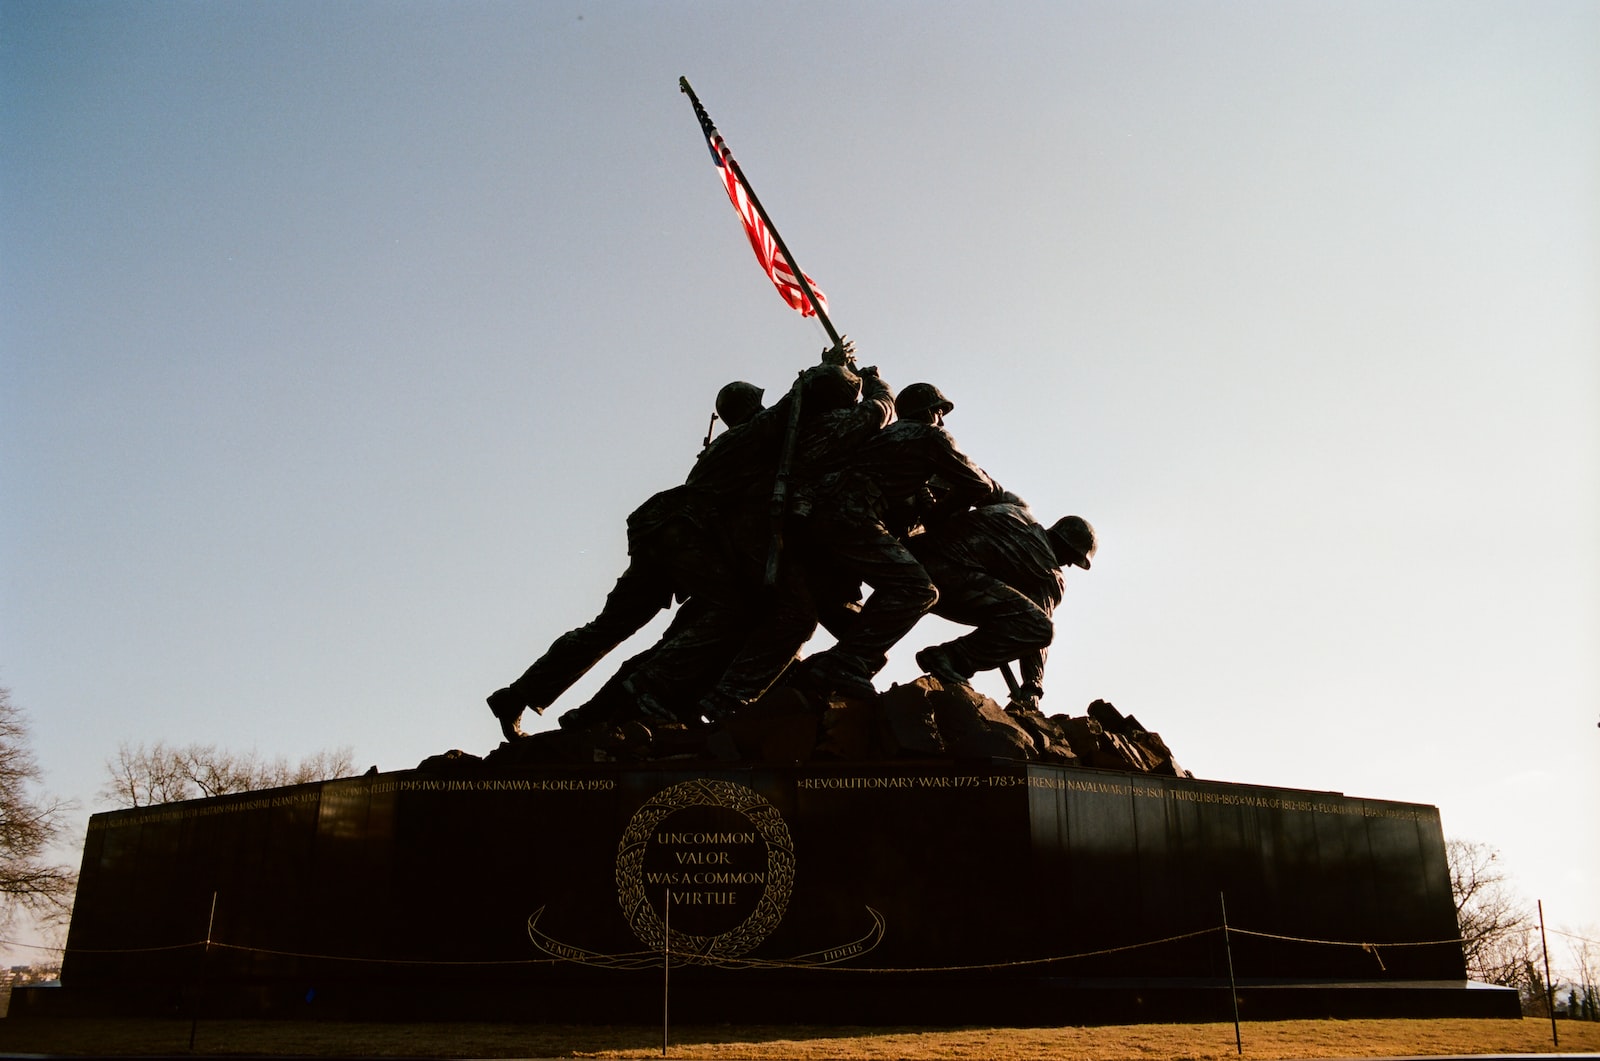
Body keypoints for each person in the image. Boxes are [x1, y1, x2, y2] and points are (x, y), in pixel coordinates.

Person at [484, 379, 770, 741]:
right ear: (749, 407)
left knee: (608, 627)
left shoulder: (742, 442)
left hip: (666, 533)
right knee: (735, 608)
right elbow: (792, 408)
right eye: (758, 404)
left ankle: (516, 696)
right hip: (683, 535)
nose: (764, 408)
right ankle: (649, 690)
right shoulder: (746, 437)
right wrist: (835, 367)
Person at [791, 383, 1016, 700]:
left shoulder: (887, 435)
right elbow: (978, 485)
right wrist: (941, 512)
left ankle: (836, 665)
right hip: (851, 516)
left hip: (827, 515)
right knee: (917, 590)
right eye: (940, 411)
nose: (942, 419)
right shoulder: (930, 437)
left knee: (855, 600)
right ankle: (844, 663)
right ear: (929, 412)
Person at [909, 505, 1096, 710]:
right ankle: (950, 657)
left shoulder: (1015, 511)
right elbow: (1037, 627)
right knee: (1041, 628)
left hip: (912, 555)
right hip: (946, 575)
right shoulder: (1049, 573)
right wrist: (1033, 687)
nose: (1068, 565)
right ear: (1066, 547)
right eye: (1072, 558)